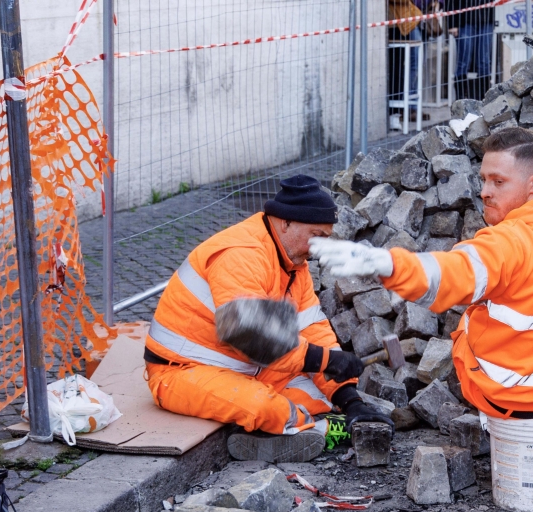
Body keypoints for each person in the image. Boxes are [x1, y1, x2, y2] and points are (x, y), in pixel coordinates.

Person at [313, 127, 533, 488]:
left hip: (511, 399)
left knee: (468, 328)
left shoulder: (507, 241)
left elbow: (455, 273)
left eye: (498, 181)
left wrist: (391, 265)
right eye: (483, 179)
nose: (484, 191)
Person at [144, 175, 389, 464]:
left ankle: (294, 431)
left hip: (246, 367)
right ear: (285, 222)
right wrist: (327, 361)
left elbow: (313, 330)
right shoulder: (242, 254)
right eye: (317, 235)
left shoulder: (293, 263)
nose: (321, 247)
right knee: (266, 407)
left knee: (322, 399)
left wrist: (349, 398)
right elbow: (255, 337)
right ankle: (316, 430)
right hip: (181, 371)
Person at [446, 0, 495, 100]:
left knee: (484, 62)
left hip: (486, 18)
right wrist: (452, 23)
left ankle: (483, 99)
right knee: (463, 61)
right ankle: (460, 100)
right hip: (464, 20)